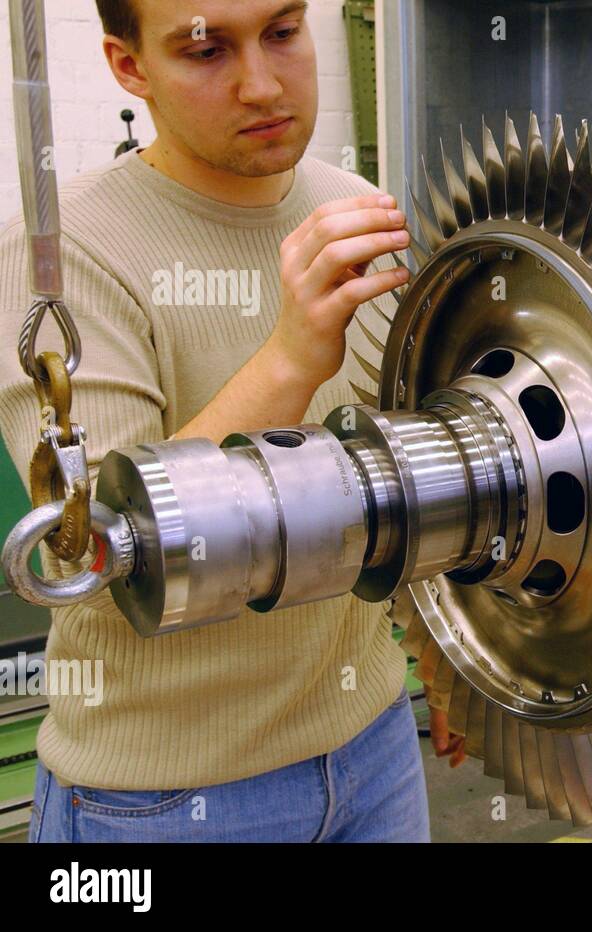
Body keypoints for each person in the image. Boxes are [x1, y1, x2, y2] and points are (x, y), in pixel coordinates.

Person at [0, 0, 463, 843]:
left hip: (374, 752)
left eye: (283, 33)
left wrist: (441, 642)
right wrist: (288, 359)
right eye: (207, 50)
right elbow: (98, 566)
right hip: (161, 802)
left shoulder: (353, 210)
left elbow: (408, 466)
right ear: (129, 65)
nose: (261, 84)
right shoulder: (68, 255)